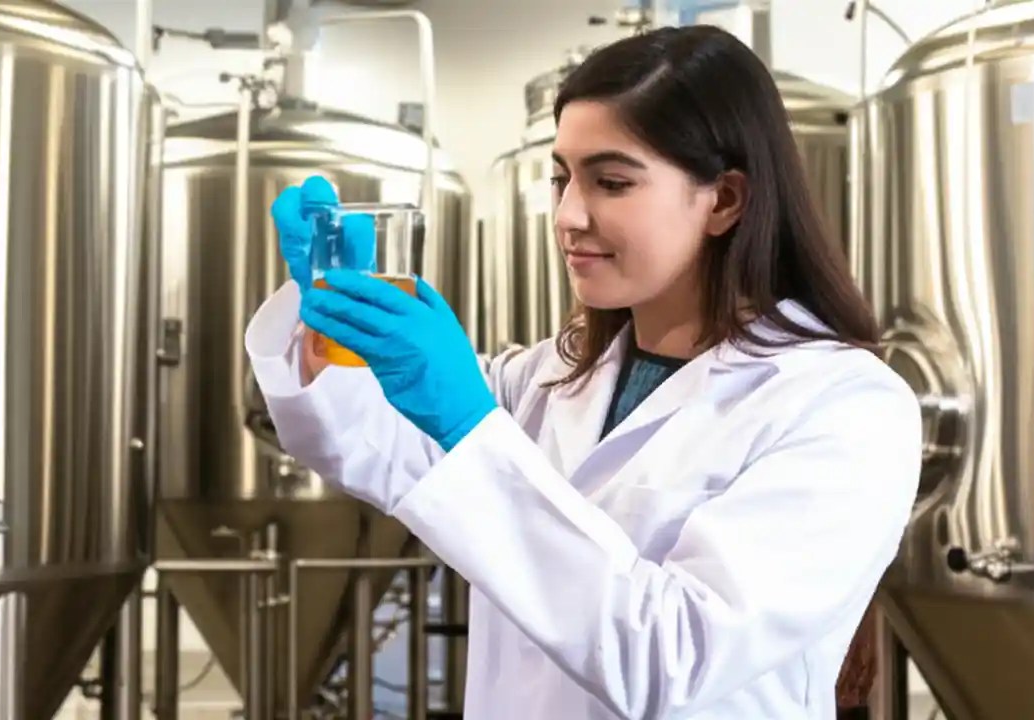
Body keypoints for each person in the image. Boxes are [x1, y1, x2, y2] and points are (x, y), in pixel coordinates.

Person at [245, 24, 921, 720]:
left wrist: (472, 427)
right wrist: (322, 307)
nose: (568, 216)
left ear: (724, 200)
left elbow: (672, 660)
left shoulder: (845, 407)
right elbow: (358, 442)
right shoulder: (548, 378)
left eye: (612, 182)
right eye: (561, 178)